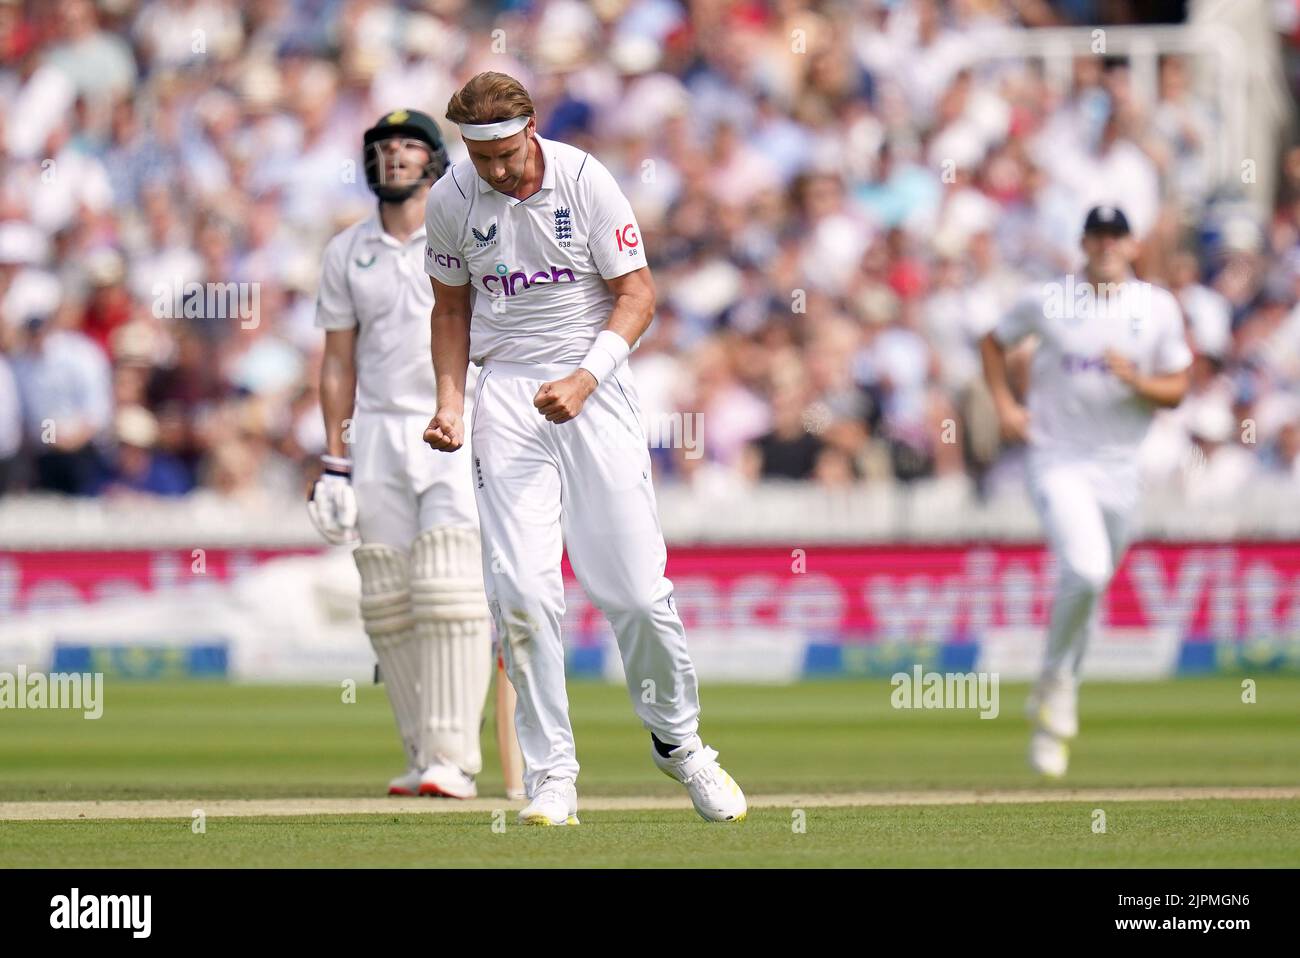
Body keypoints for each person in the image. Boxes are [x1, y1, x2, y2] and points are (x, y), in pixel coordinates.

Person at [422, 72, 746, 825]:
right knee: (525, 596)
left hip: (591, 384)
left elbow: (639, 295)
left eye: (505, 152)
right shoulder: (451, 200)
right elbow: (448, 309)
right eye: (481, 157)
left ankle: (682, 744)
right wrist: (449, 399)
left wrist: (585, 376)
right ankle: (552, 778)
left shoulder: (584, 179)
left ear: (529, 130)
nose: (496, 170)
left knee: (634, 591)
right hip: (504, 393)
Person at [310, 108, 523, 800]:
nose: (394, 157)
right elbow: (337, 363)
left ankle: (454, 759)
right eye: (383, 147)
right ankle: (421, 750)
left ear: (434, 161)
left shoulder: (470, 230)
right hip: (376, 433)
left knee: (450, 585)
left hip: (452, 421)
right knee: (387, 595)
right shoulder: (347, 252)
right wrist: (334, 460)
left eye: (408, 146)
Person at [980, 205, 1192, 778]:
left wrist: (1136, 381)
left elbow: (1176, 389)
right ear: (1081, 242)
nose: (1105, 245)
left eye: (1115, 236)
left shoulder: (1157, 306)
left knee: (1090, 592)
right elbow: (993, 343)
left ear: (1131, 244)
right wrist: (1005, 406)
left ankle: (1053, 702)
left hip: (1123, 470)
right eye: (1096, 235)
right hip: (1056, 459)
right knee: (1088, 570)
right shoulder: (1048, 299)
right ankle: (1056, 689)